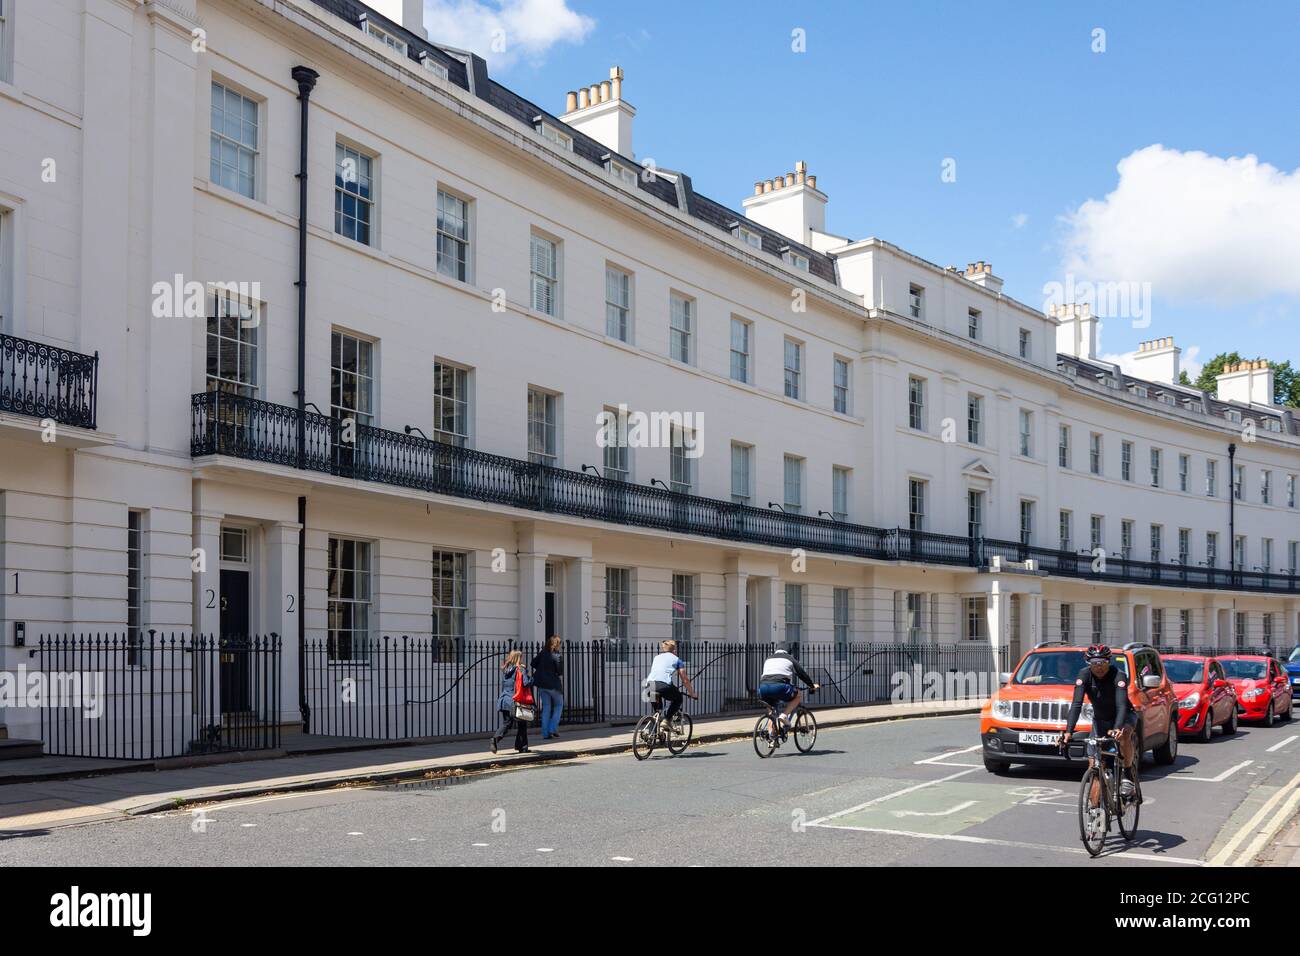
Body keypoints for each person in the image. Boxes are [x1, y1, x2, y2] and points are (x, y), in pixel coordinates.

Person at [1057, 643, 1142, 804]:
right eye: (1095, 663)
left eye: (1103, 663)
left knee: (1124, 734)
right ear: (1089, 663)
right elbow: (1076, 704)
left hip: (1123, 717)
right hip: (1101, 721)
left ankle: (1127, 773)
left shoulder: (1118, 675)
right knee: (1094, 768)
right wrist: (1068, 731)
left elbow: (1122, 705)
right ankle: (1095, 814)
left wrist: (1117, 728)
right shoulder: (1084, 675)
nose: (1099, 667)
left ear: (1109, 662)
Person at [758, 647, 819, 726]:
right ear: (788, 652)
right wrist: (811, 685)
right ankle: (784, 715)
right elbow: (801, 674)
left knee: (772, 713)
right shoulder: (789, 658)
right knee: (798, 695)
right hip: (779, 687)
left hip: (763, 688)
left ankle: (771, 734)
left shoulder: (768, 659)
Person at [644, 639, 697, 725]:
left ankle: (653, 733)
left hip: (650, 685)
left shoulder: (656, 657)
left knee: (657, 712)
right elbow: (685, 679)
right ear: (674, 650)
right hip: (663, 685)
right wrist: (692, 693)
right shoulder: (677, 660)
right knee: (678, 699)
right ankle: (667, 720)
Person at [491, 649, 532, 754]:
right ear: (519, 658)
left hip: (504, 699)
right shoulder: (520, 669)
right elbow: (526, 683)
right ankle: (522, 747)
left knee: (507, 723)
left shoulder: (506, 669)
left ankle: (495, 738)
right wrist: (532, 678)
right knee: (522, 723)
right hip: (514, 700)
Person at [531, 635, 565, 740]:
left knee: (546, 707)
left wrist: (542, 670)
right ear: (557, 644)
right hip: (553, 685)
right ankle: (552, 729)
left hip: (542, 684)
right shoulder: (557, 655)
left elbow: (533, 663)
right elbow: (560, 672)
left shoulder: (542, 653)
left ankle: (546, 734)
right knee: (559, 705)